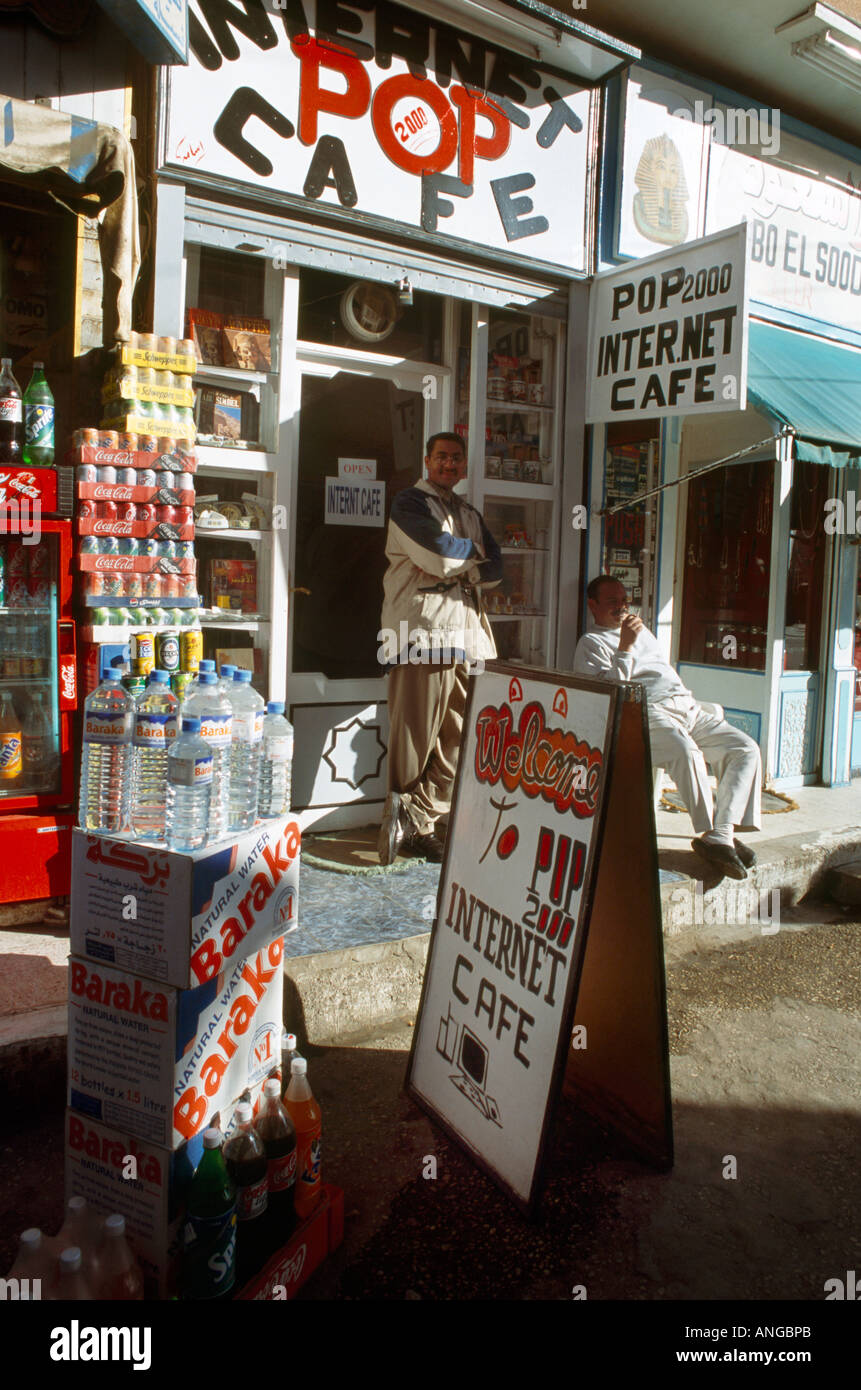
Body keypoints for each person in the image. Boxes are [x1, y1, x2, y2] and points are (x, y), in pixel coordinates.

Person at [573, 576, 761, 879]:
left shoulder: (642, 631)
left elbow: (662, 671)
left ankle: (721, 834)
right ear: (592, 605)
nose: (621, 607)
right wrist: (625, 646)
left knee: (745, 748)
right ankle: (715, 834)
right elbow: (610, 693)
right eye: (612, 602)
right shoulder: (589, 644)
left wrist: (633, 639)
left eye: (623, 600)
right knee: (686, 753)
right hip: (644, 710)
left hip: (686, 706)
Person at [377, 432, 503, 863]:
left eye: (456, 459)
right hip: (422, 634)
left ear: (464, 466)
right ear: (428, 460)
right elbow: (442, 558)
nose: (449, 465)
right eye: (442, 457)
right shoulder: (409, 504)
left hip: (467, 637)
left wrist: (464, 561)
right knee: (415, 738)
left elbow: (497, 570)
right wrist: (472, 556)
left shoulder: (467, 511)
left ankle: (420, 817)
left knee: (464, 735)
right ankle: (403, 828)